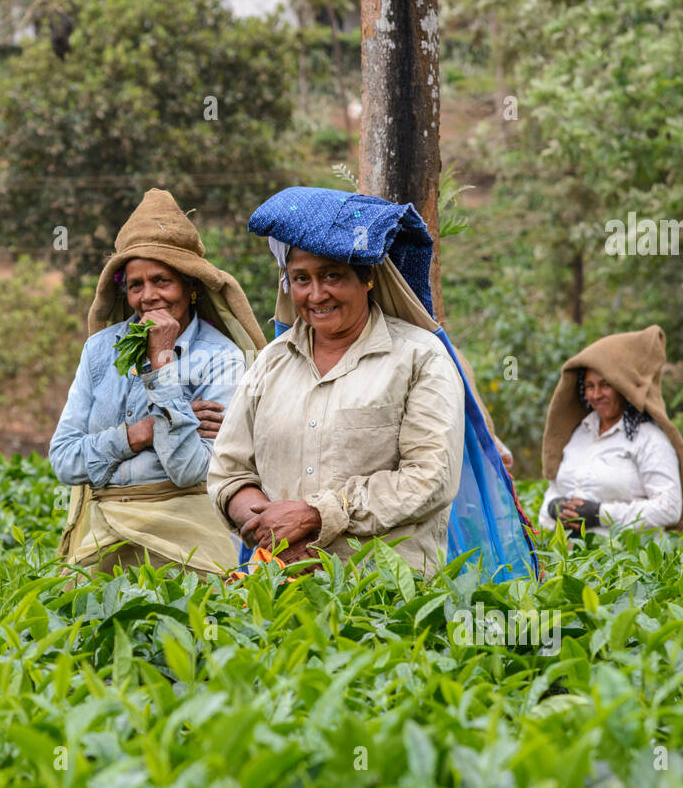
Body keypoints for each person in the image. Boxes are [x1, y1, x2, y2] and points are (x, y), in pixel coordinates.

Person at [207, 187, 470, 575]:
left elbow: (431, 477)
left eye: (332, 276)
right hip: (280, 585)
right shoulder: (270, 363)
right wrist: (269, 527)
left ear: (366, 278)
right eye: (301, 279)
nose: (316, 294)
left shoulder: (419, 356)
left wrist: (316, 515)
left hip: (387, 594)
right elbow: (229, 470)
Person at [50, 188, 267, 575]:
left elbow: (189, 470)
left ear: (191, 286)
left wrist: (162, 364)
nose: (149, 296)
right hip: (104, 532)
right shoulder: (100, 351)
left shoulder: (223, 358)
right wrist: (141, 433)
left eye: (162, 281)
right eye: (136, 284)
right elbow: (65, 460)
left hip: (189, 533)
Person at [539, 325, 683, 536]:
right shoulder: (580, 433)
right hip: (572, 560)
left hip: (624, 562)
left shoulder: (649, 440)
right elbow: (556, 487)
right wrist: (554, 506)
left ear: (624, 388)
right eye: (589, 386)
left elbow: (669, 508)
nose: (596, 395)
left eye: (605, 385)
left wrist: (600, 514)